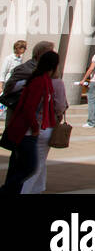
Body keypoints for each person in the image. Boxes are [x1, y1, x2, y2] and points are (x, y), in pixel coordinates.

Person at [1, 50, 58, 196]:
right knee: (29, 167)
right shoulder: (39, 81)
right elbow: (29, 107)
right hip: (27, 131)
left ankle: (10, 189)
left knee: (21, 166)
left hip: (29, 130)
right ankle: (7, 190)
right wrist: (35, 127)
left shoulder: (41, 79)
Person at [22, 53, 67, 194]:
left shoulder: (34, 78)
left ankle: (38, 188)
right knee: (36, 164)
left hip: (34, 127)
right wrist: (36, 127)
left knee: (38, 161)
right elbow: (59, 106)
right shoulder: (49, 82)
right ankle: (27, 190)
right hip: (42, 126)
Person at [0, 41, 26, 120]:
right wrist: (1, 85)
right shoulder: (9, 58)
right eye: (23, 48)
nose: (25, 50)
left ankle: (5, 114)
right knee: (3, 99)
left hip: (15, 83)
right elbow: (3, 72)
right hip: (8, 82)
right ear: (18, 48)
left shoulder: (20, 59)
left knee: (10, 100)